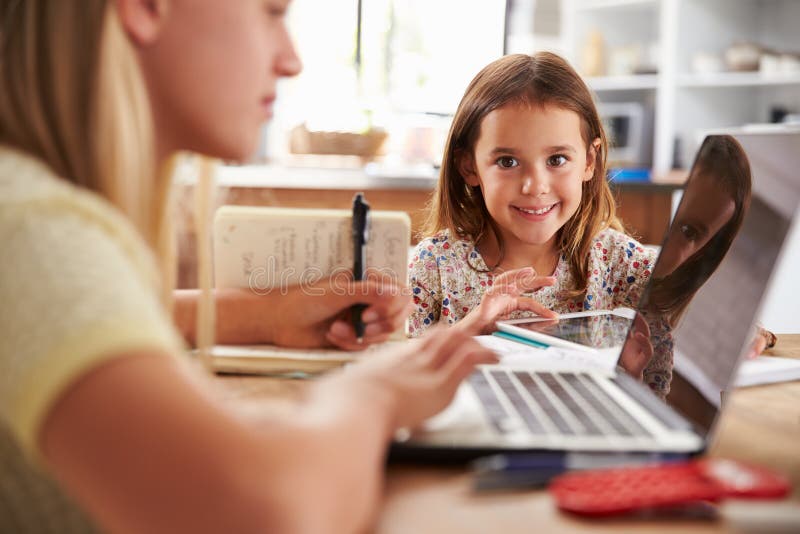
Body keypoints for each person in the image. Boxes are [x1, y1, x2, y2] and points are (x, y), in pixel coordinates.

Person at [0, 1, 497, 533]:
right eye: (269, 12)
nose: (291, 60)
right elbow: (268, 516)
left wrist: (268, 315)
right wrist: (375, 392)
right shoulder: (32, 226)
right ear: (145, 8)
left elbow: (108, 317)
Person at [407, 52, 669, 394]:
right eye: (507, 161)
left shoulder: (623, 265)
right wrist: (471, 329)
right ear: (469, 166)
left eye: (557, 159)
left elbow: (714, 325)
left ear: (589, 161)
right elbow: (409, 386)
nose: (535, 186)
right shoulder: (434, 266)